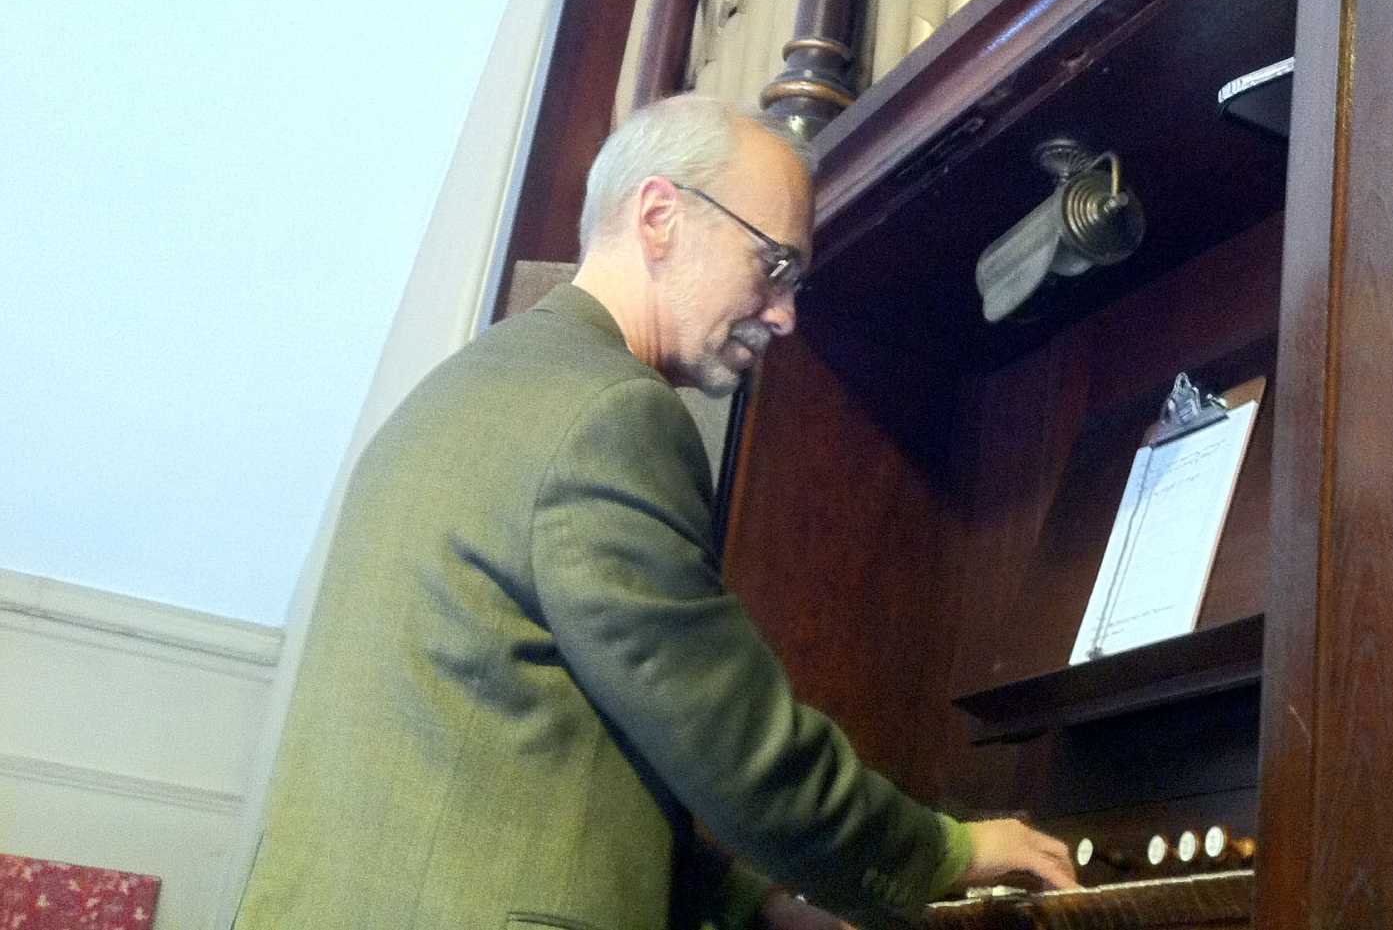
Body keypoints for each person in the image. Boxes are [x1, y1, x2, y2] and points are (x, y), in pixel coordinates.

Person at [234, 95, 1075, 929]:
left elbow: (553, 764)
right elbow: (740, 750)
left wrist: (761, 902)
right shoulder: (612, 415)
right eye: (774, 265)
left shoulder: (458, 393)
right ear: (661, 215)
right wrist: (949, 850)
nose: (784, 314)